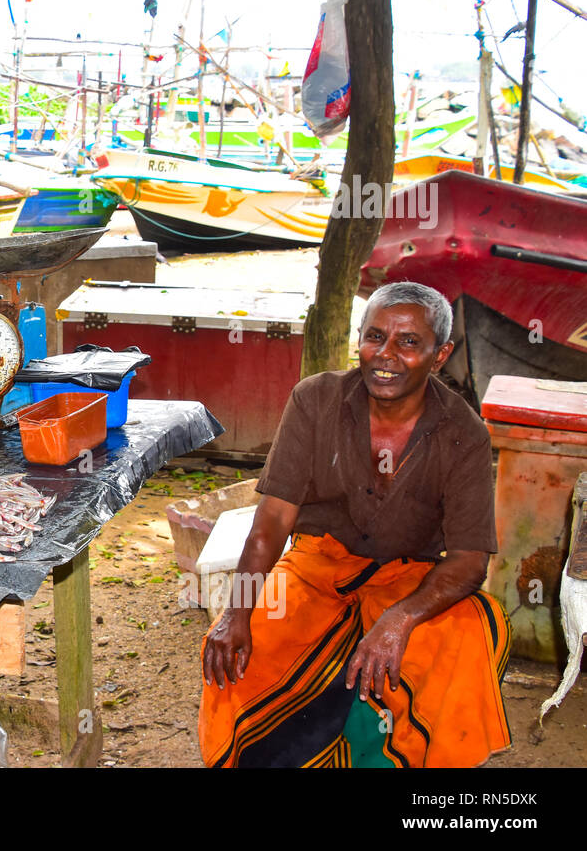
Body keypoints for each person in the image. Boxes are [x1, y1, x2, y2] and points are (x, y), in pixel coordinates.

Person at [199, 281, 511, 767]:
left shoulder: (463, 432)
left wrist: (400, 618)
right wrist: (235, 613)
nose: (385, 355)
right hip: (316, 563)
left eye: (409, 342)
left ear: (440, 355)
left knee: (470, 636)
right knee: (243, 646)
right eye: (375, 337)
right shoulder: (315, 400)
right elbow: (272, 523)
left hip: (411, 578)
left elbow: (470, 561)